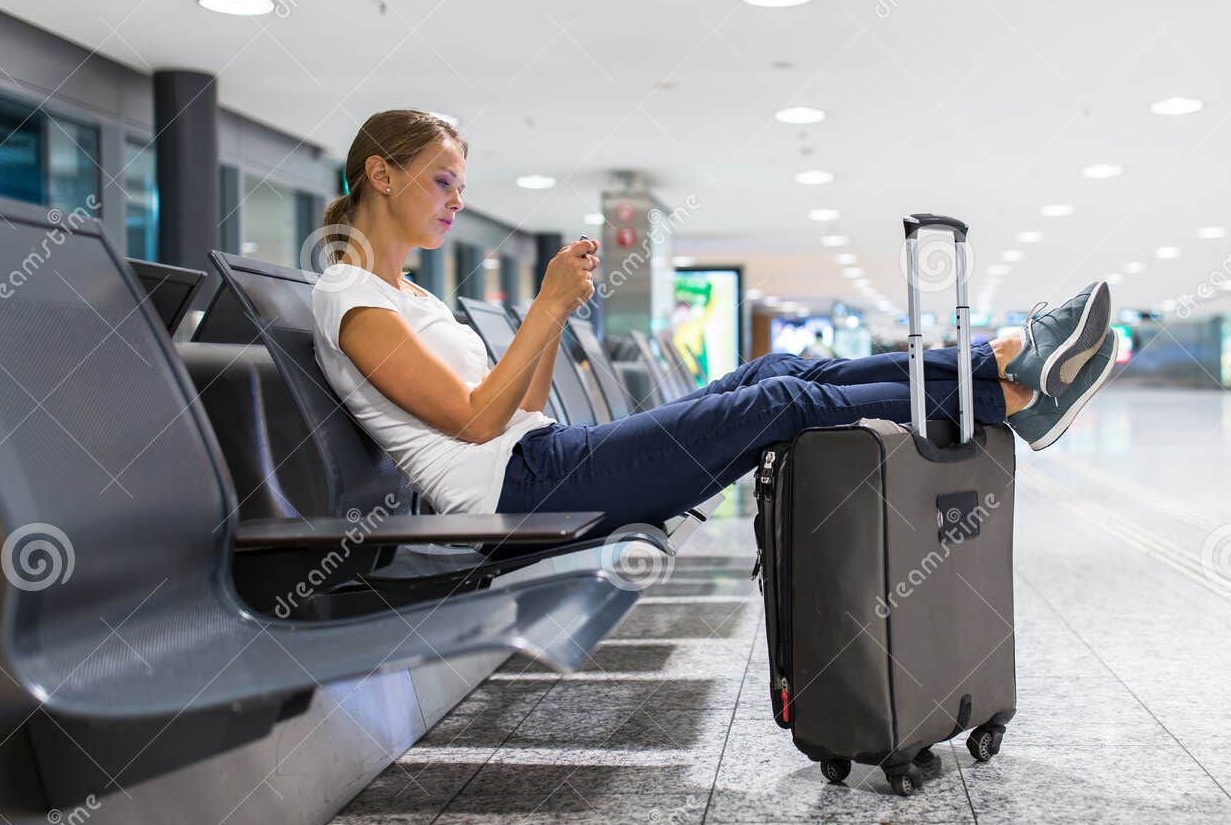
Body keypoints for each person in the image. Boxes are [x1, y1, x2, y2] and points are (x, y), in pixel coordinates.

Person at [309, 110, 1120, 527]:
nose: (456, 201)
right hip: (520, 491)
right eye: (443, 183)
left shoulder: (410, 296)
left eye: (458, 185)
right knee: (779, 405)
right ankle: (1008, 383)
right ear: (382, 175)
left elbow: (519, 409)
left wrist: (553, 315)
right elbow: (477, 423)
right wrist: (547, 304)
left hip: (542, 454)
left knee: (777, 373)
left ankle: (999, 365)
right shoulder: (349, 299)